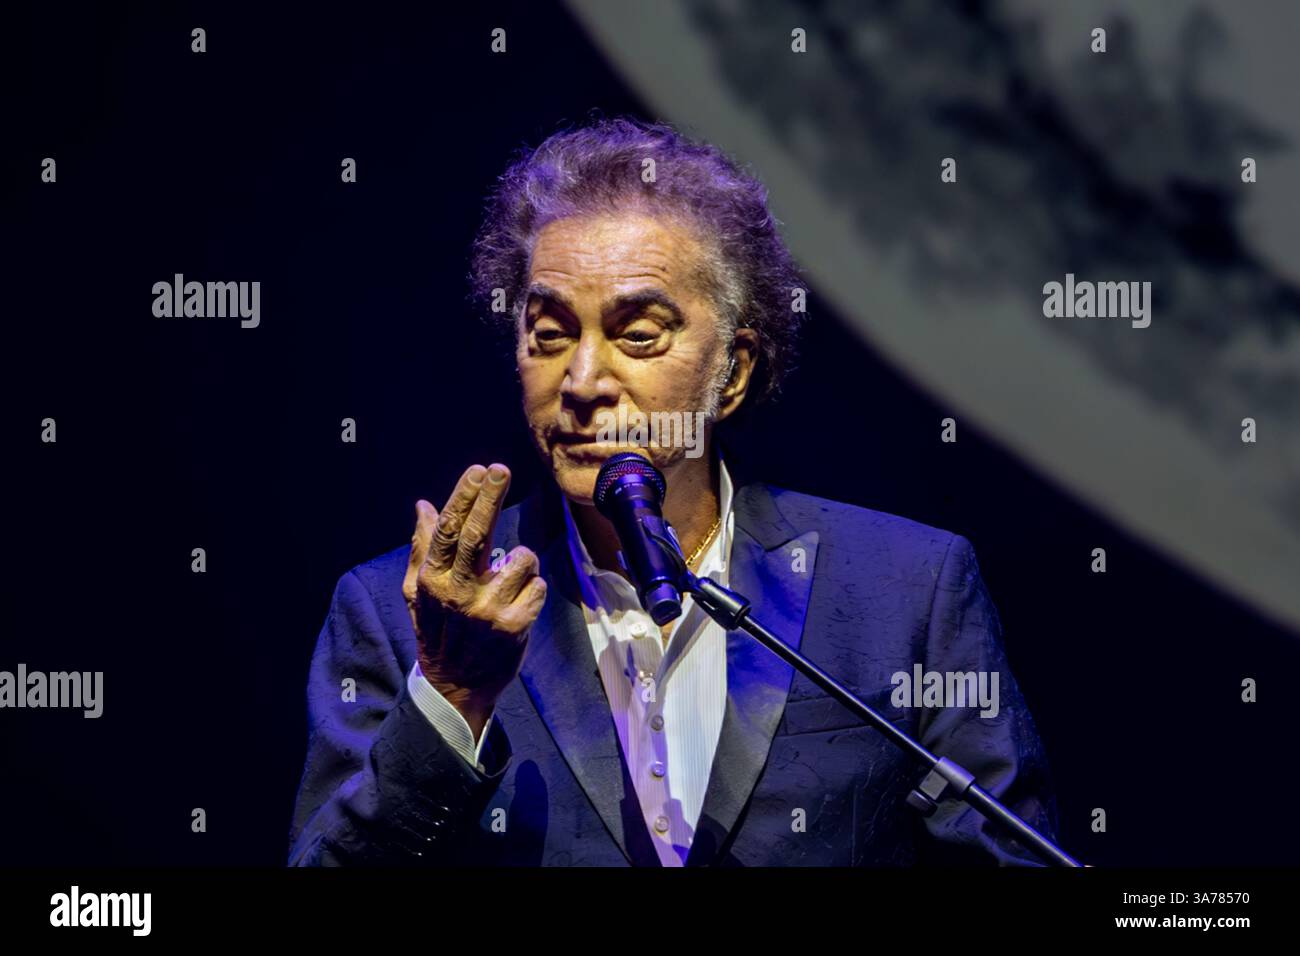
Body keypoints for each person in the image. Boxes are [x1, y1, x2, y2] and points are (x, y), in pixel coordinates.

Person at [287, 117, 1058, 866]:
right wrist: (454, 693)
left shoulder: (907, 590)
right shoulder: (398, 613)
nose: (582, 383)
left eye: (638, 335)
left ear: (733, 371)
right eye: (549, 334)